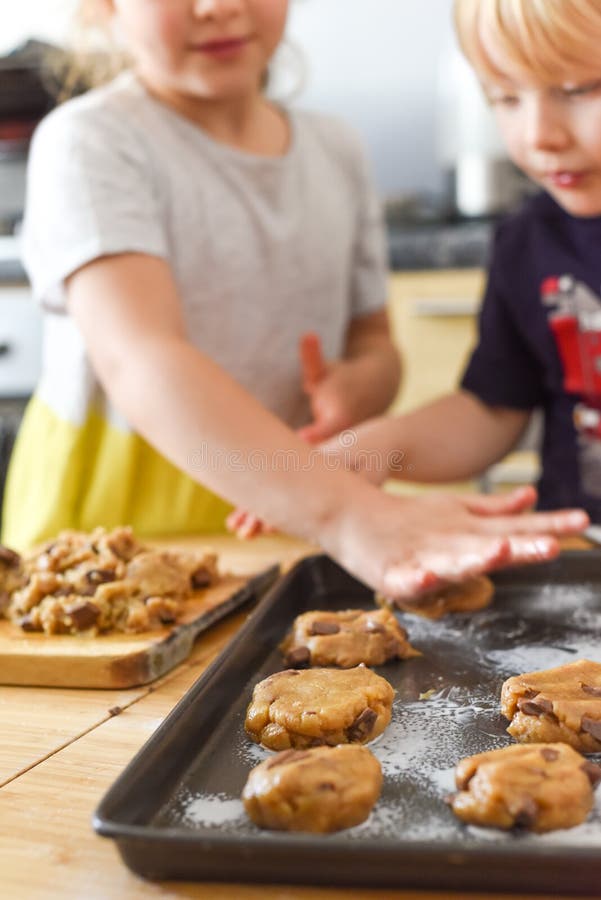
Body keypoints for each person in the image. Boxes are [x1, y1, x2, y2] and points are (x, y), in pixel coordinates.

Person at [2, 0, 587, 601]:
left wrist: (361, 388)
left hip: (298, 497)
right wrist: (346, 514)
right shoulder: (90, 140)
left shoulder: (336, 149)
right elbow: (141, 357)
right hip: (130, 501)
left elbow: (373, 344)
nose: (219, 7)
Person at [273, 0, 601, 526]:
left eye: (579, 89)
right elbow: (492, 410)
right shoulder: (526, 243)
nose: (540, 135)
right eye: (506, 98)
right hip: (580, 559)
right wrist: (385, 443)